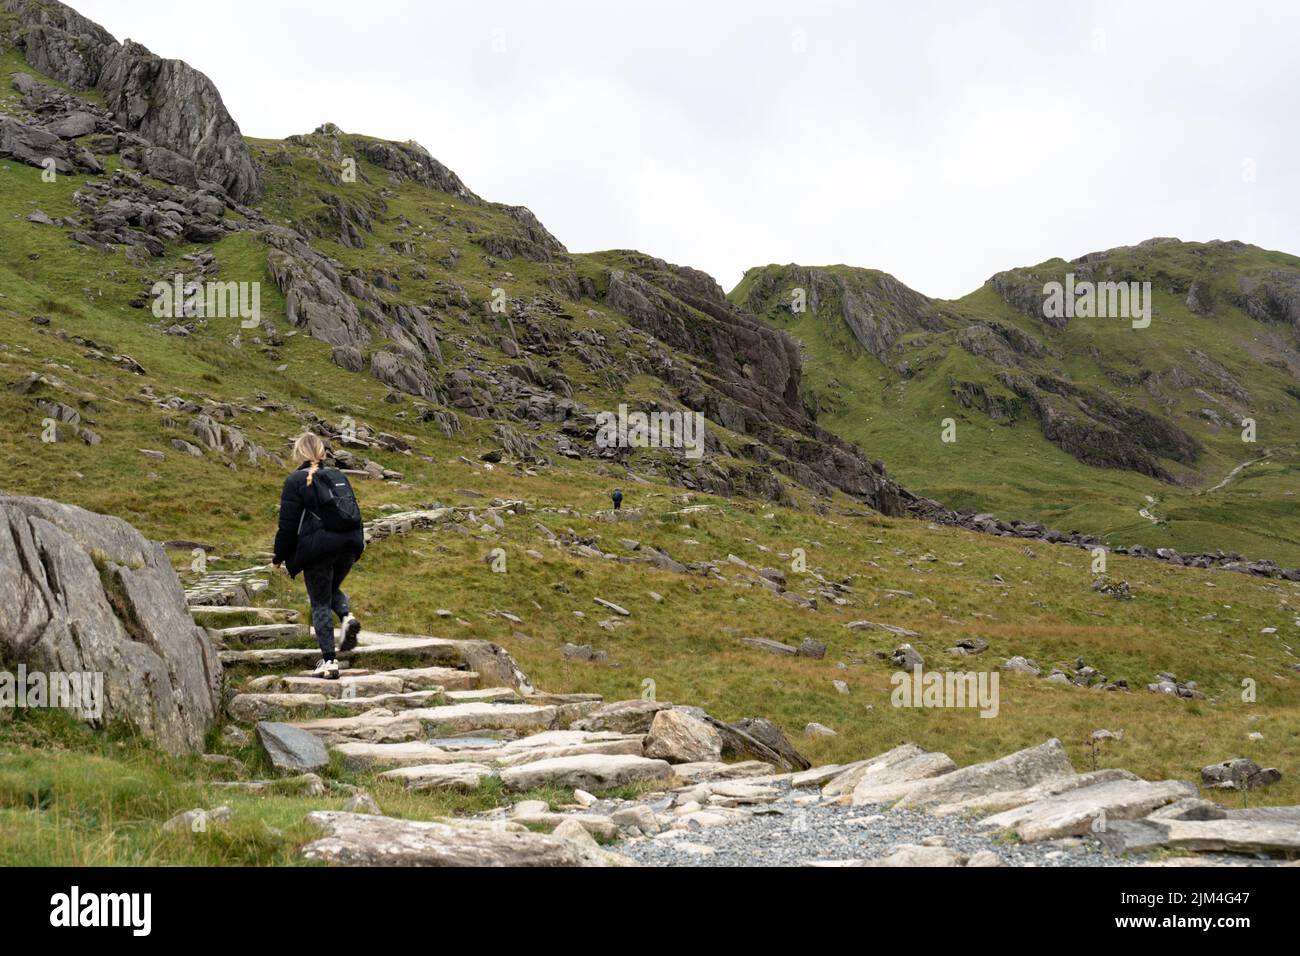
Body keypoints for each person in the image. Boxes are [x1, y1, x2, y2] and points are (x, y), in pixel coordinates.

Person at [272, 433, 365, 680]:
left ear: (299, 453)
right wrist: (357, 547)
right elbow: (354, 510)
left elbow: (288, 525)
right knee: (330, 588)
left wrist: (278, 556)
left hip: (318, 549)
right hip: (348, 544)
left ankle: (329, 661)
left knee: (320, 602)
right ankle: (347, 617)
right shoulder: (337, 476)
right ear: (322, 452)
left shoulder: (295, 481)